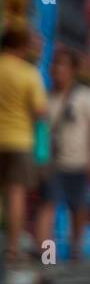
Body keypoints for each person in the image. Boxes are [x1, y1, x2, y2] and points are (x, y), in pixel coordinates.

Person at [37, 48, 90, 261]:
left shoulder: (87, 97)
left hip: (79, 162)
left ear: (73, 70)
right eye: (54, 64)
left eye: (62, 65)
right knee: (48, 206)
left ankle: (76, 249)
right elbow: (41, 132)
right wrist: (40, 159)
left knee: (79, 209)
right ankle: (46, 256)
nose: (56, 69)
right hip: (54, 164)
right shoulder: (46, 98)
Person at [0, 26, 46, 263]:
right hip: (19, 140)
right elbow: (40, 110)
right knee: (16, 195)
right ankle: (12, 249)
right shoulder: (29, 73)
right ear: (21, 46)